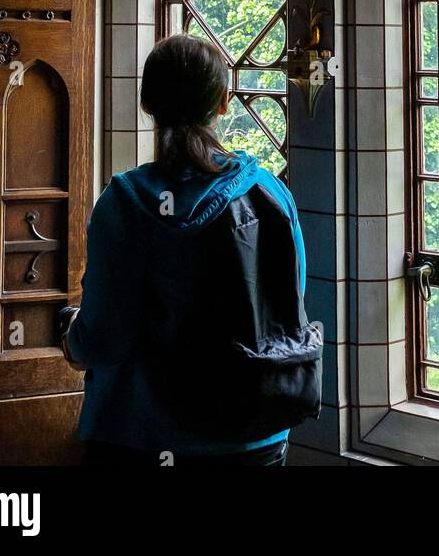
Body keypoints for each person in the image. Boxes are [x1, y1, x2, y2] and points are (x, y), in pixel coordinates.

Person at [61, 34, 306, 467]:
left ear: (147, 104)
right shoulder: (270, 193)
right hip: (257, 436)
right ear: (225, 101)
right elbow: (290, 310)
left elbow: (102, 341)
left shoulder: (126, 202)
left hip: (142, 438)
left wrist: (71, 336)